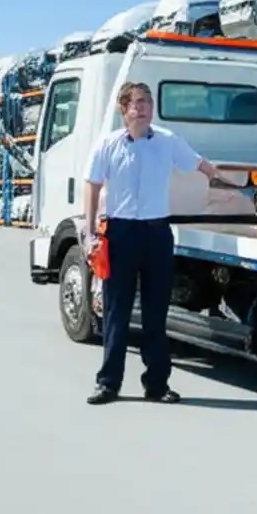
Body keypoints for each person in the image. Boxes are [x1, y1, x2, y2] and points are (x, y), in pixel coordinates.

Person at [82, 81, 223, 406]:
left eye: (147, 102)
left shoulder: (167, 141)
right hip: (120, 234)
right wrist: (90, 233)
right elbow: (92, 186)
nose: (144, 107)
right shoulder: (108, 144)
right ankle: (108, 383)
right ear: (124, 110)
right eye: (136, 103)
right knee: (116, 312)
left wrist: (221, 180)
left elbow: (198, 163)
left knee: (156, 313)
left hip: (157, 234)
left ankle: (157, 384)